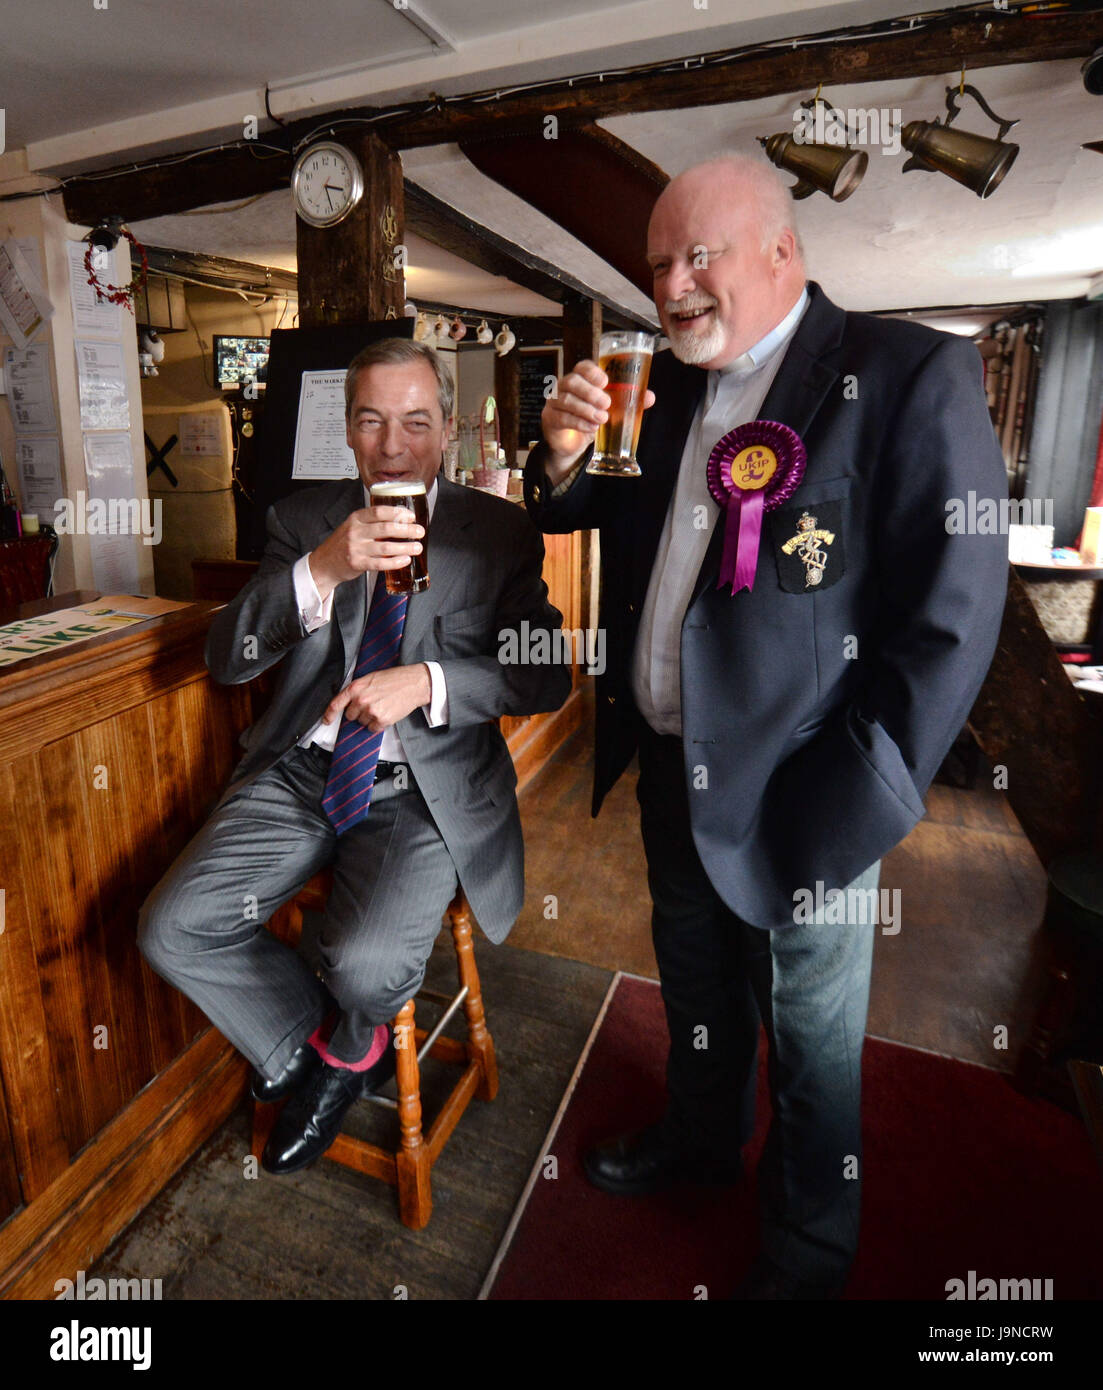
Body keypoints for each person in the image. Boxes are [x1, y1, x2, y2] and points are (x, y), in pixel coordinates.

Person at [525, 154, 1008, 1298]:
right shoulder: (671, 387)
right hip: (665, 772)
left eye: (699, 255)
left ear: (781, 251)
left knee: (809, 1046)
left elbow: (951, 616)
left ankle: (801, 1255)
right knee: (692, 991)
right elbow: (591, 505)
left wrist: (863, 792)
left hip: (803, 796)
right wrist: (553, 455)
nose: (672, 284)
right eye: (657, 265)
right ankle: (698, 1144)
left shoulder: (902, 373)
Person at [139, 338, 570, 1174]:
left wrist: (431, 683)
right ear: (347, 429)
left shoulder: (499, 533)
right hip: (304, 772)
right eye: (371, 421)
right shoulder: (303, 519)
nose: (393, 445)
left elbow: (543, 671)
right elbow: (228, 657)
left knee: (366, 966)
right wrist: (323, 568)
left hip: (423, 787)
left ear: (446, 427)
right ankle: (322, 1054)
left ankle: (352, 1031)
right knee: (171, 927)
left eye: (415, 421)